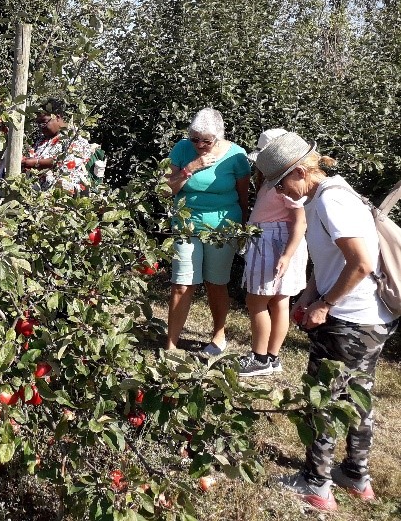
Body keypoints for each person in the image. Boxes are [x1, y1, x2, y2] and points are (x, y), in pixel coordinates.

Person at [257, 132, 398, 511]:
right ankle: (356, 475)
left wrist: (326, 305)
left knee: (324, 400)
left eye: (282, 183)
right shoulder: (332, 193)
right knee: (358, 396)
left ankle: (316, 484)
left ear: (301, 172)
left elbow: (362, 263)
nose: (282, 193)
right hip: (367, 318)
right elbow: (335, 259)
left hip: (350, 320)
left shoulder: (331, 201)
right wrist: (310, 295)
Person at [164, 108, 250, 355]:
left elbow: (243, 196)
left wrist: (242, 227)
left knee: (216, 283)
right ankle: (171, 344)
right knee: (181, 284)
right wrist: (190, 167)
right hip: (185, 224)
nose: (200, 145)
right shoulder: (182, 150)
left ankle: (218, 337)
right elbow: (166, 189)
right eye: (195, 139)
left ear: (219, 137)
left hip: (222, 228)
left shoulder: (236, 156)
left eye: (206, 141)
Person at [238, 129, 308, 376]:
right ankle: (271, 357)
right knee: (279, 302)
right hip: (274, 239)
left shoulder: (284, 184)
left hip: (272, 241)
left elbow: (300, 221)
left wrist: (287, 255)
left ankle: (260, 357)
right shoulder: (274, 181)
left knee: (257, 300)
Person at [20, 98, 93, 193]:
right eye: (38, 124)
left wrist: (37, 162)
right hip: (38, 194)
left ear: (57, 117)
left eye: (44, 122)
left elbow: (66, 163)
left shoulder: (74, 138)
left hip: (61, 195)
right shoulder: (43, 140)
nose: (41, 127)